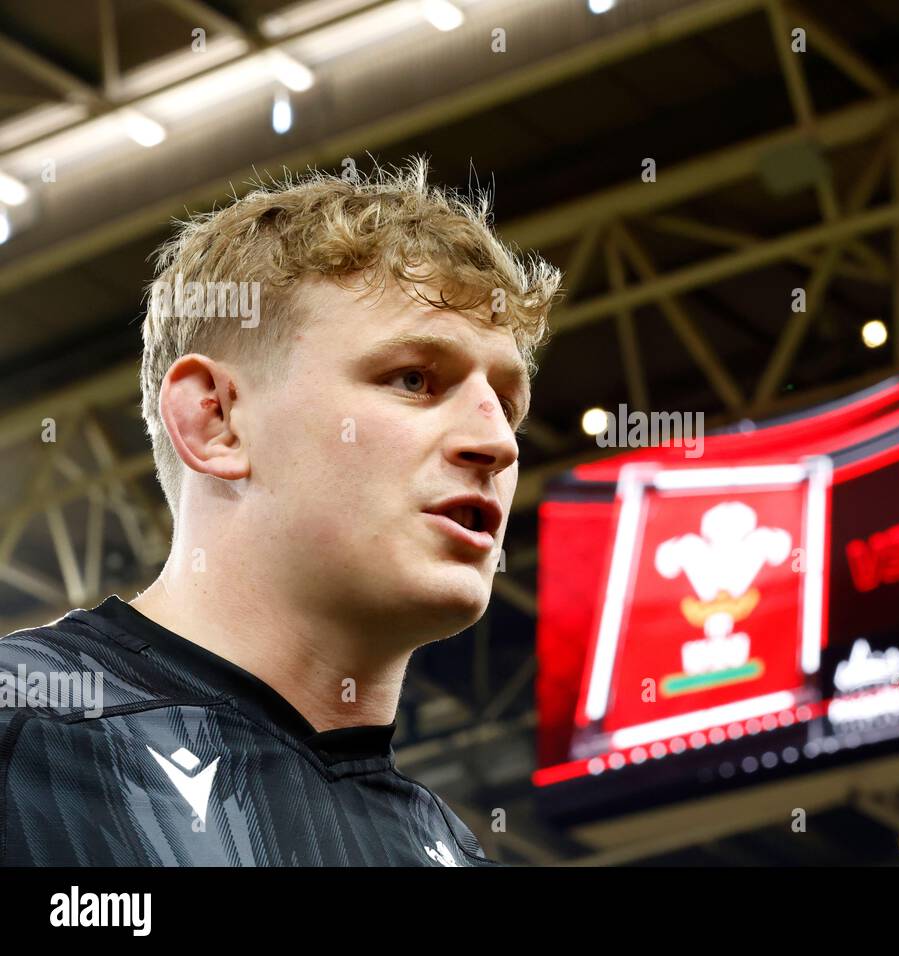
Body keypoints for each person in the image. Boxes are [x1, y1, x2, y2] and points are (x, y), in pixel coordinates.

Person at [0, 159, 562, 865]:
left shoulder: (449, 851)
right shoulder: (26, 730)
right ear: (215, 422)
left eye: (507, 406)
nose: (496, 444)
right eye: (415, 379)